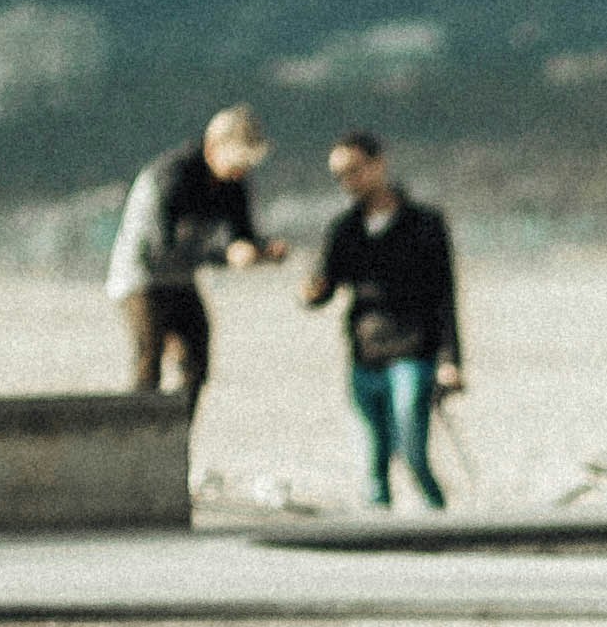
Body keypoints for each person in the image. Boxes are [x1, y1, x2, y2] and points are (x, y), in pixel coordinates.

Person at [300, 128, 463, 509]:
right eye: (340, 175)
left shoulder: (425, 223)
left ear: (379, 164)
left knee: (413, 454)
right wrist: (311, 291)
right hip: (365, 354)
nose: (348, 182)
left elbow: (445, 296)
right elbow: (325, 287)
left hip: (413, 351)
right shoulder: (345, 228)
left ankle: (442, 527)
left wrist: (451, 360)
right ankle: (380, 549)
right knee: (372, 465)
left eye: (354, 170)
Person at [106, 106, 276, 396]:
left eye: (248, 165)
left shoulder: (234, 182)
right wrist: (225, 255)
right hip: (140, 275)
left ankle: (177, 432)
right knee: (150, 360)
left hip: (182, 277)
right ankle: (141, 433)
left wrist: (264, 250)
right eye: (237, 162)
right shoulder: (171, 175)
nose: (241, 172)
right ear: (213, 147)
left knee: (198, 360)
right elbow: (163, 248)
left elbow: (242, 235)